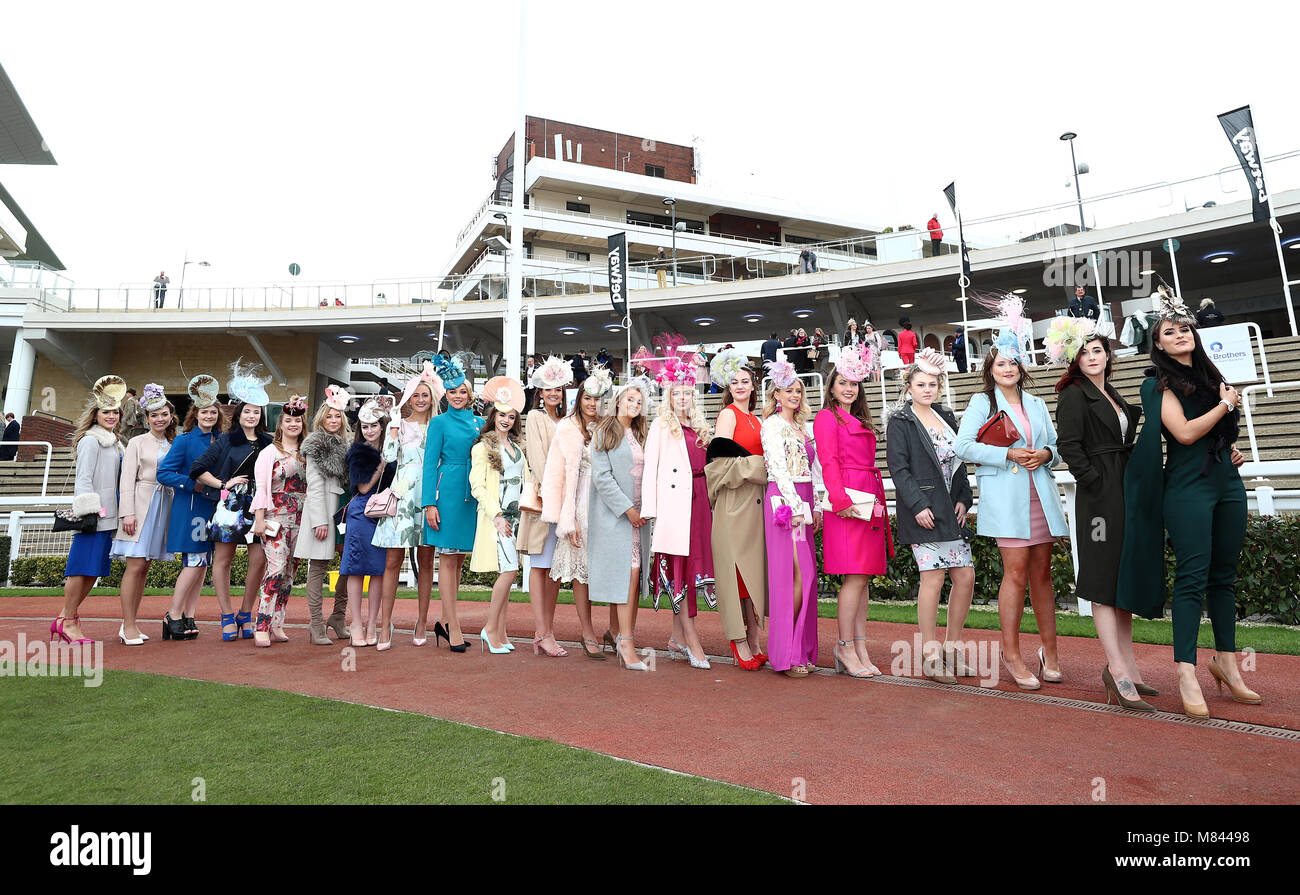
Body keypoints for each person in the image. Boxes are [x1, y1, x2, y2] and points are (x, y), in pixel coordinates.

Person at [1117, 288, 1256, 718]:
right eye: (1169, 331)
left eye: (1184, 329)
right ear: (1156, 343)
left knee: (1224, 577)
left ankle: (1227, 664)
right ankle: (1185, 671)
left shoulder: (1212, 376)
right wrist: (1224, 406)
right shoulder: (1155, 384)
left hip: (1226, 483)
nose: (1180, 335)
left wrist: (1230, 447)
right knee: (1193, 578)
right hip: (1186, 488)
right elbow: (1184, 433)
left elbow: (1213, 433)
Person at [955, 299, 1068, 691]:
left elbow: (1057, 445)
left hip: (1040, 496)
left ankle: (1050, 652)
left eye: (1013, 363)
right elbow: (963, 447)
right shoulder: (981, 402)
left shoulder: (1037, 403)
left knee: (1042, 574)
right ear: (991, 369)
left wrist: (1045, 454)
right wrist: (1007, 454)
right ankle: (1012, 653)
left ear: (1022, 368)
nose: (1008, 369)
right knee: (1016, 574)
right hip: (1007, 498)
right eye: (1001, 363)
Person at [1051, 320, 1153, 710]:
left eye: (1097, 350)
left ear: (1108, 355)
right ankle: (1116, 669)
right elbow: (1069, 446)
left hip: (1123, 490)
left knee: (1121, 579)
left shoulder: (1109, 391)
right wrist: (1095, 483)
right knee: (1101, 577)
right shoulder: (1074, 395)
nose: (1092, 357)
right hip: (1099, 498)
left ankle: (1130, 668)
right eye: (1084, 352)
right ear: (1075, 360)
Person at [887, 349, 975, 684]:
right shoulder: (900, 421)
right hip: (923, 512)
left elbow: (959, 462)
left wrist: (965, 499)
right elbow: (899, 469)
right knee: (934, 579)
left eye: (933, 384)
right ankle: (930, 653)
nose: (928, 389)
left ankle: (952, 648)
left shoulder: (947, 416)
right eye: (921, 384)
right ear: (908, 386)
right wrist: (917, 504)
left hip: (951, 511)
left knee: (964, 578)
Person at [813, 345, 891, 678]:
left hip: (866, 498)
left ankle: (859, 645)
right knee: (854, 576)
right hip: (846, 501)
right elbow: (827, 459)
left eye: (854, 384)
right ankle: (844, 646)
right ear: (831, 386)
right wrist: (839, 498)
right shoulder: (826, 417)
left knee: (863, 579)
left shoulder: (858, 418)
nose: (849, 389)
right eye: (843, 383)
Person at [190, 360, 274, 640]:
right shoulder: (226, 440)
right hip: (230, 506)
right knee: (223, 560)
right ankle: (226, 614)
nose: (251, 415)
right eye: (247, 411)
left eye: (256, 412)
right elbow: (198, 469)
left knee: (259, 561)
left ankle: (245, 613)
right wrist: (224, 484)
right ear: (239, 413)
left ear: (261, 416)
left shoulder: (268, 442)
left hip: (260, 507)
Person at [641, 357, 714, 670]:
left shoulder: (699, 425)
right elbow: (650, 470)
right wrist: (652, 511)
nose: (682, 398)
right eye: (676, 393)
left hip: (700, 502)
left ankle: (676, 636)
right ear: (668, 396)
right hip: (674, 507)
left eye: (687, 392)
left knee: (691, 569)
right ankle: (691, 638)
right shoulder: (661, 424)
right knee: (680, 569)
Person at [543, 364, 615, 659]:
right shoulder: (567, 427)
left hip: (607, 504)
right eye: (587, 398)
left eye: (597, 399)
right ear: (579, 398)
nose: (592, 404)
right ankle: (587, 632)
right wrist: (566, 517)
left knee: (610, 568)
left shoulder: (610, 426)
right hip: (579, 503)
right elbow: (556, 475)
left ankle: (614, 630)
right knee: (580, 572)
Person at [51, 375, 127, 645]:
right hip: (95, 514)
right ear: (95, 414)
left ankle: (64, 619)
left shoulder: (114, 441)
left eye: (115, 412)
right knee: (82, 567)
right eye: (106, 412)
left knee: (93, 569)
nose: (111, 416)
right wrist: (88, 512)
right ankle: (68, 620)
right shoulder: (91, 440)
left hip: (109, 514)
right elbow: (83, 478)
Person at [706, 348, 768, 670]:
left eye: (745, 380)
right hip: (733, 505)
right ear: (728, 387)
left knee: (754, 575)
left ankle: (755, 639)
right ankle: (739, 641)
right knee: (737, 576)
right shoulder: (728, 415)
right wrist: (760, 465)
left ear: (754, 385)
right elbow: (718, 465)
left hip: (754, 507)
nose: (740, 386)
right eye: (734, 381)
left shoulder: (757, 419)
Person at [373, 362, 442, 650]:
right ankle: (384, 623)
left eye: (426, 395)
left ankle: (422, 621)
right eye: (417, 395)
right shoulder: (398, 425)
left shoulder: (439, 426)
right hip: (402, 497)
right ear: (409, 397)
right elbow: (388, 457)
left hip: (429, 498)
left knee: (427, 562)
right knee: (392, 561)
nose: (421, 400)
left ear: (432, 398)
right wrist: (391, 430)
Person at [761, 360, 823, 677]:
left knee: (805, 578)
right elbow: (778, 468)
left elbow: (815, 470)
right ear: (777, 395)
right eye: (789, 390)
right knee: (798, 576)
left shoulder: (804, 428)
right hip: (785, 502)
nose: (795, 395)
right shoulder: (771, 426)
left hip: (805, 501)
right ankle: (787, 651)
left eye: (798, 389)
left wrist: (818, 504)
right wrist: (797, 505)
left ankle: (801, 649)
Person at [587, 380, 654, 671]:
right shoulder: (605, 430)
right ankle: (626, 643)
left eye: (639, 402)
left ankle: (620, 635)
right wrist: (627, 509)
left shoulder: (641, 433)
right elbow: (602, 477)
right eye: (630, 400)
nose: (634, 406)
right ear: (617, 401)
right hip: (618, 517)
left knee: (633, 578)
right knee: (627, 575)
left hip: (640, 517)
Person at [157, 374, 226, 639]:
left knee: (203, 564)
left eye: (212, 412)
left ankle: (188, 615)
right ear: (195, 414)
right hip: (191, 508)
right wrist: (191, 484)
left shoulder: (222, 439)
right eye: (204, 412)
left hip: (214, 510)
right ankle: (172, 614)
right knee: (194, 563)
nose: (208, 416)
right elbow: (164, 474)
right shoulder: (184, 440)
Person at [423, 354, 484, 652]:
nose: (457, 396)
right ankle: (453, 625)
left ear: (469, 393)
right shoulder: (438, 423)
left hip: (471, 494)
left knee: (459, 559)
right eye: (452, 392)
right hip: (445, 493)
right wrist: (428, 504)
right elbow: (428, 464)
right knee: (447, 557)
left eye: (462, 391)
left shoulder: (481, 423)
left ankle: (445, 621)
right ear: (445, 394)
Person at [469, 377, 529, 654]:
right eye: (501, 415)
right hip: (499, 518)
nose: (506, 420)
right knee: (509, 571)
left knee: (510, 573)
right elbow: (477, 486)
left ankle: (501, 632)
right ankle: (489, 630)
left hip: (517, 519)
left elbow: (525, 482)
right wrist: (495, 515)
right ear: (493, 416)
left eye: (511, 416)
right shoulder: (482, 447)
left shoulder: (517, 449)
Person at [112, 384, 176, 645]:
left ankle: (132, 623)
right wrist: (127, 513)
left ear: (171, 416)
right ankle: (127, 625)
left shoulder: (174, 443)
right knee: (135, 564)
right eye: (154, 415)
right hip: (140, 505)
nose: (160, 419)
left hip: (163, 505)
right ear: (146, 418)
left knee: (145, 567)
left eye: (164, 414)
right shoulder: (137, 442)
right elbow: (126, 480)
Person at [520, 356, 572, 657]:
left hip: (564, 501)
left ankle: (547, 630)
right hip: (546, 500)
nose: (554, 393)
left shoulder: (566, 421)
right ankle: (541, 632)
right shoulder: (537, 418)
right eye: (549, 389)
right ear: (540, 392)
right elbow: (538, 460)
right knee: (540, 565)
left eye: (558, 389)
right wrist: (555, 495)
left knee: (555, 569)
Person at [295, 386, 353, 645]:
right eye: (329, 416)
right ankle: (316, 624)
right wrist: (319, 520)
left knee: (349, 566)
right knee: (317, 567)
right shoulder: (315, 444)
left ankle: (338, 617)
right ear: (321, 418)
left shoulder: (347, 444)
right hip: (324, 511)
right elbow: (314, 484)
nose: (333, 420)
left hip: (344, 511)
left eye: (337, 416)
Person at [249, 396, 308, 647]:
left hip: (301, 518)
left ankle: (277, 622)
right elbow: (261, 488)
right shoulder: (269, 453)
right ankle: (261, 624)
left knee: (289, 573)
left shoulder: (307, 451)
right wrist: (259, 520)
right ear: (280, 424)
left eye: (297, 420)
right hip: (275, 518)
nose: (293, 424)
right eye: (288, 420)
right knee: (275, 568)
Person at [341, 397, 394, 646]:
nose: (369, 430)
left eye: (374, 425)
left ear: (382, 426)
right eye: (365, 426)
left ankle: (373, 622)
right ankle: (355, 623)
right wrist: (380, 465)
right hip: (362, 513)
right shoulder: (358, 452)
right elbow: (362, 488)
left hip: (385, 513)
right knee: (356, 569)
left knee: (378, 570)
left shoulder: (393, 449)